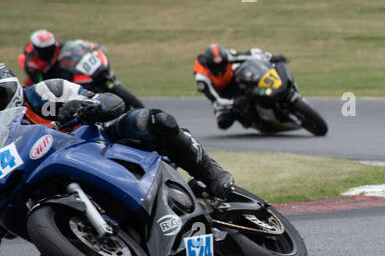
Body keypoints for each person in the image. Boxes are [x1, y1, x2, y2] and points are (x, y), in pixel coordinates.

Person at [15, 70, 234, 200]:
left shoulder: (45, 93)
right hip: (58, 183)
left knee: (151, 120)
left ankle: (210, 173)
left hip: (99, 145)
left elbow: (112, 101)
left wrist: (83, 107)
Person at [194, 43, 286, 129]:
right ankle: (253, 123)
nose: (219, 69)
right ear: (208, 65)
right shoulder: (202, 78)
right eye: (215, 67)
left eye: (222, 65)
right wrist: (234, 103)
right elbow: (216, 99)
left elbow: (251, 54)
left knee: (249, 76)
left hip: (234, 81)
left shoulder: (229, 56)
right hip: (222, 94)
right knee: (223, 122)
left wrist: (271, 57)